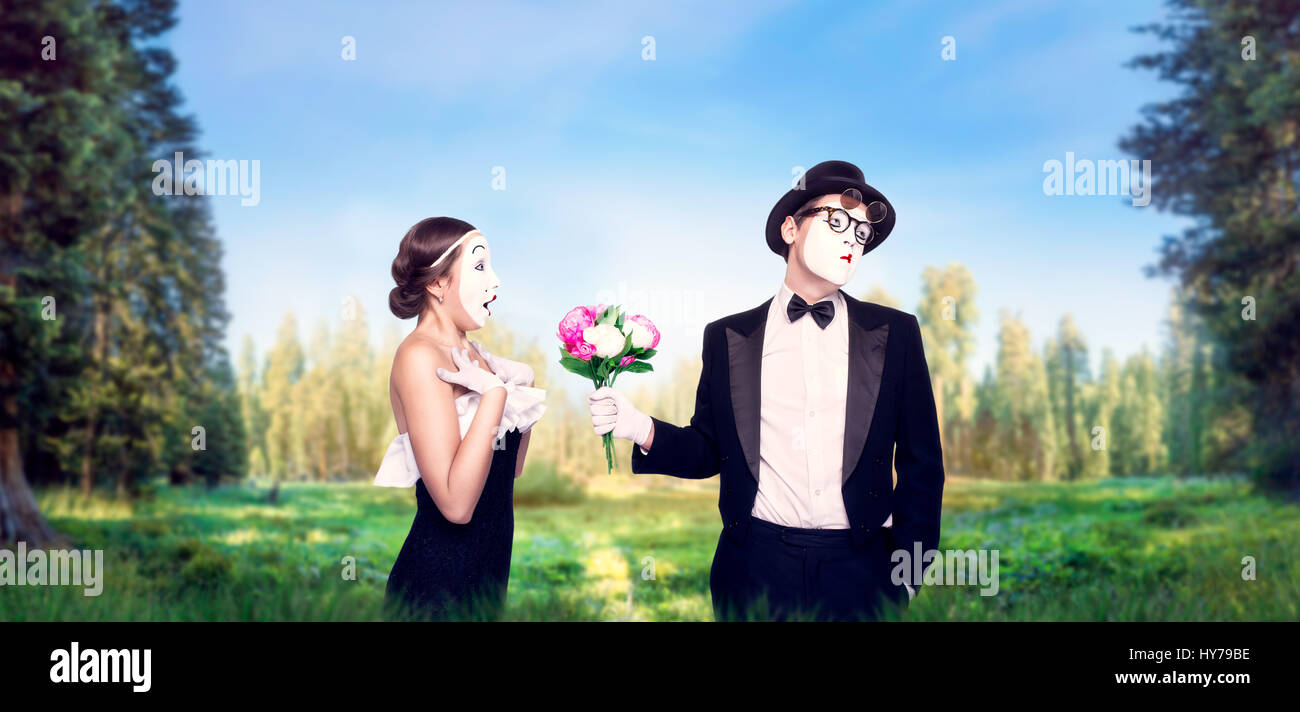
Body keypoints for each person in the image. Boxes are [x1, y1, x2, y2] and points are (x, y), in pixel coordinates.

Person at [587, 160, 944, 621]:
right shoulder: (728, 337)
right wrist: (639, 427)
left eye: (861, 233)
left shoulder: (895, 332)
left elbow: (922, 464)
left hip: (861, 569)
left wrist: (909, 578)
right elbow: (708, 451)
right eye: (837, 221)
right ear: (791, 228)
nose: (852, 241)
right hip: (753, 564)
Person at [375, 216, 545, 621]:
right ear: (437, 284)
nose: (496, 281)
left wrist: (522, 390)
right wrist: (496, 395)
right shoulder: (419, 357)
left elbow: (509, 470)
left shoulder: (477, 356)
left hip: (485, 580)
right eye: (480, 267)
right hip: (435, 588)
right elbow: (455, 505)